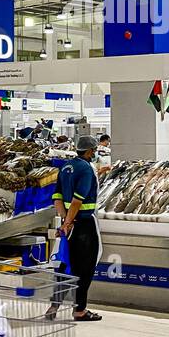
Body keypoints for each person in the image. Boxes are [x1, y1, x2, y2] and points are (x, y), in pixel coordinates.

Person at [50, 135, 103, 323]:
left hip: (69, 224)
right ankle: (79, 310)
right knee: (85, 268)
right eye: (94, 151)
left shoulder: (65, 167)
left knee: (65, 264)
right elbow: (77, 201)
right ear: (88, 151)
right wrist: (68, 222)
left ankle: (54, 305)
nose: (95, 154)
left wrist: (64, 221)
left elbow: (57, 197)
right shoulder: (86, 169)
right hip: (83, 225)